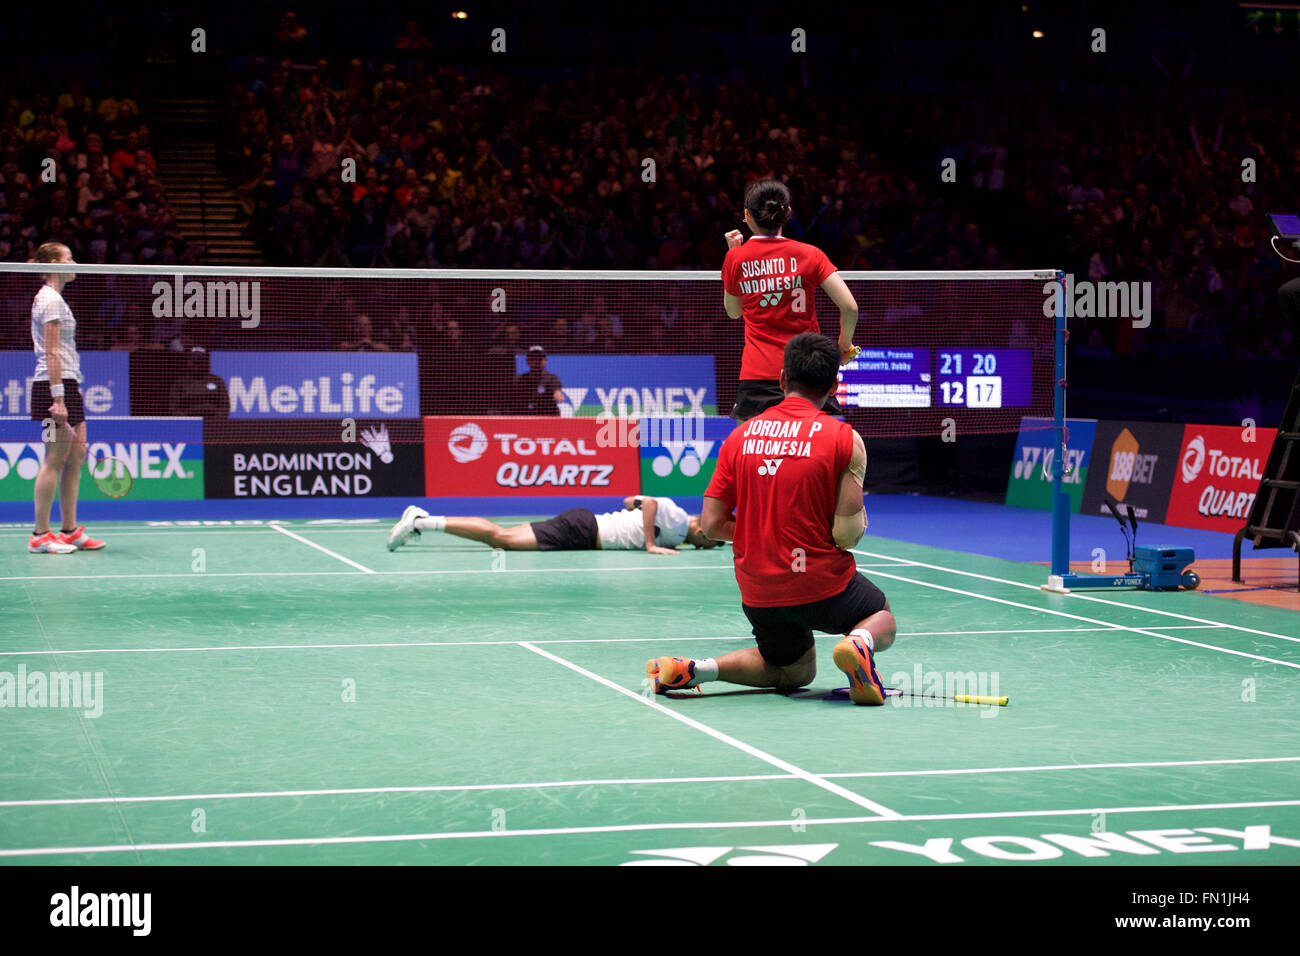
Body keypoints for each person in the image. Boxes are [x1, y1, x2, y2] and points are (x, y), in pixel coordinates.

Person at [646, 333, 896, 704]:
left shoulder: (739, 437)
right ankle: (859, 643)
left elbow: (711, 524)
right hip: (821, 583)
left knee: (794, 672)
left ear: (781, 379)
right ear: (834, 385)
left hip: (760, 588)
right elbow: (847, 534)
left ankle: (697, 669)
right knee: (882, 616)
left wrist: (762, 534)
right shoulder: (844, 437)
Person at [722, 180, 862, 421]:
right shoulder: (811, 254)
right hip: (807, 370)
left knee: (752, 453)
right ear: (787, 212)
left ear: (747, 215)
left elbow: (734, 312)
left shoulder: (736, 258)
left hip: (759, 374)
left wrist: (734, 254)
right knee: (814, 451)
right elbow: (850, 307)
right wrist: (843, 346)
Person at [27, 242, 106, 554]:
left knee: (76, 458)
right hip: (51, 389)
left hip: (68, 385)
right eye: (69, 257)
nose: (74, 261)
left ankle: (69, 530)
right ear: (53, 264)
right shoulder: (50, 300)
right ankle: (40, 535)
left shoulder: (55, 299)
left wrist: (67, 392)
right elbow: (51, 351)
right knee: (53, 459)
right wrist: (58, 399)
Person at [385, 496, 722, 554]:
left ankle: (423, 520)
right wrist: (649, 544)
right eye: (716, 539)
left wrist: (644, 530)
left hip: (584, 527)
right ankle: (420, 521)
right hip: (583, 530)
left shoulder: (677, 533)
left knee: (501, 538)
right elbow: (647, 504)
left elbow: (632, 501)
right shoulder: (679, 521)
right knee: (500, 539)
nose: (713, 543)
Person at [514, 344, 563, 415]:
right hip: (527, 418)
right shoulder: (521, 380)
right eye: (533, 359)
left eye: (539, 359)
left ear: (545, 361)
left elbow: (557, 390)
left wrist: (557, 394)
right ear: (528, 361)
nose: (536, 361)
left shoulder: (552, 378)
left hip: (548, 417)